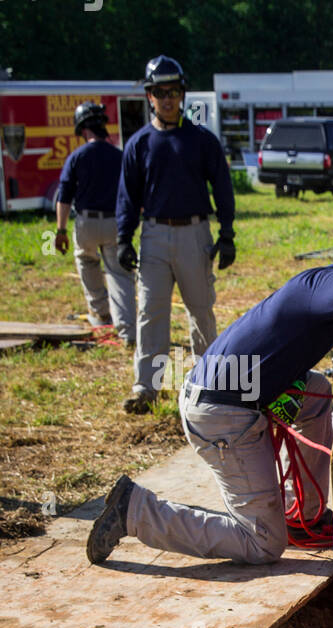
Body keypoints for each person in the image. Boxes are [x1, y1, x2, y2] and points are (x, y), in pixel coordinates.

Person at [86, 221, 333, 566]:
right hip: (222, 414)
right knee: (262, 543)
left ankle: (304, 515)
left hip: (231, 394)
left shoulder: (327, 287)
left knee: (316, 391)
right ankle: (134, 510)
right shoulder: (332, 287)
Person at [116, 56, 236, 415]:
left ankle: (209, 383)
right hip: (153, 234)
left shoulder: (201, 140)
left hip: (194, 233)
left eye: (173, 91)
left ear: (182, 94)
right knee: (151, 313)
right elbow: (128, 194)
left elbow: (223, 187)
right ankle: (146, 389)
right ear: (150, 96)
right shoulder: (139, 144)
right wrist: (123, 238)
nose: (167, 98)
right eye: (160, 92)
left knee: (200, 311)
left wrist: (227, 233)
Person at [53, 102, 136, 346]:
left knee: (87, 261)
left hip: (87, 222)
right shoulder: (119, 156)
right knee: (119, 273)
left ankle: (101, 314)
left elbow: (64, 196)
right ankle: (128, 330)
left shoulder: (76, 157)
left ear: (81, 129)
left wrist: (60, 230)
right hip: (114, 222)